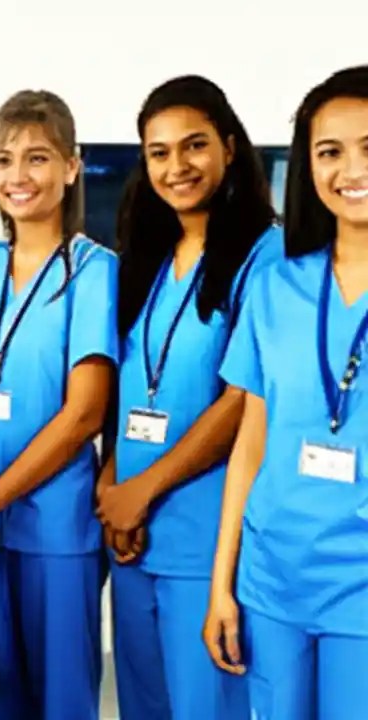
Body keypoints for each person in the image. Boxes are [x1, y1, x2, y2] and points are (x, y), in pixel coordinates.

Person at [97, 76, 281, 720]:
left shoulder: (268, 256)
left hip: (204, 537)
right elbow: (128, 385)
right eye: (158, 152)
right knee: (141, 705)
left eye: (194, 145)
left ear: (230, 148)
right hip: (133, 536)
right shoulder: (148, 255)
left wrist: (141, 491)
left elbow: (242, 402)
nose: (177, 166)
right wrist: (115, 487)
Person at [0, 90, 117, 720]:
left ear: (71, 166)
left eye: (37, 158)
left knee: (61, 696)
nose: (18, 176)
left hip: (53, 527)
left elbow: (85, 413)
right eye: (4, 160)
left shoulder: (95, 272)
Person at [205, 64, 368, 720]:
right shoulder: (278, 288)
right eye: (330, 152)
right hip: (273, 580)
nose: (350, 168)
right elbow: (251, 443)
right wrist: (222, 585)